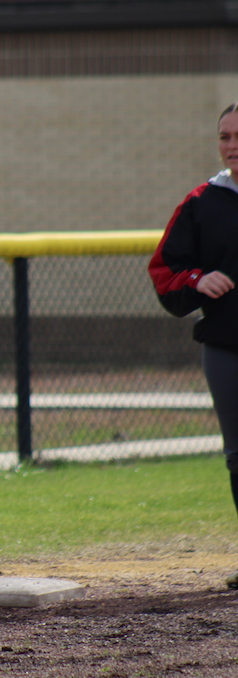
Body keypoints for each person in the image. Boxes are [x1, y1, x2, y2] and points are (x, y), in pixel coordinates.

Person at [148, 102, 238, 589]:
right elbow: (165, 269)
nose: (232, 145)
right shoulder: (202, 202)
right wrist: (197, 279)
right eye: (225, 136)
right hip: (226, 348)